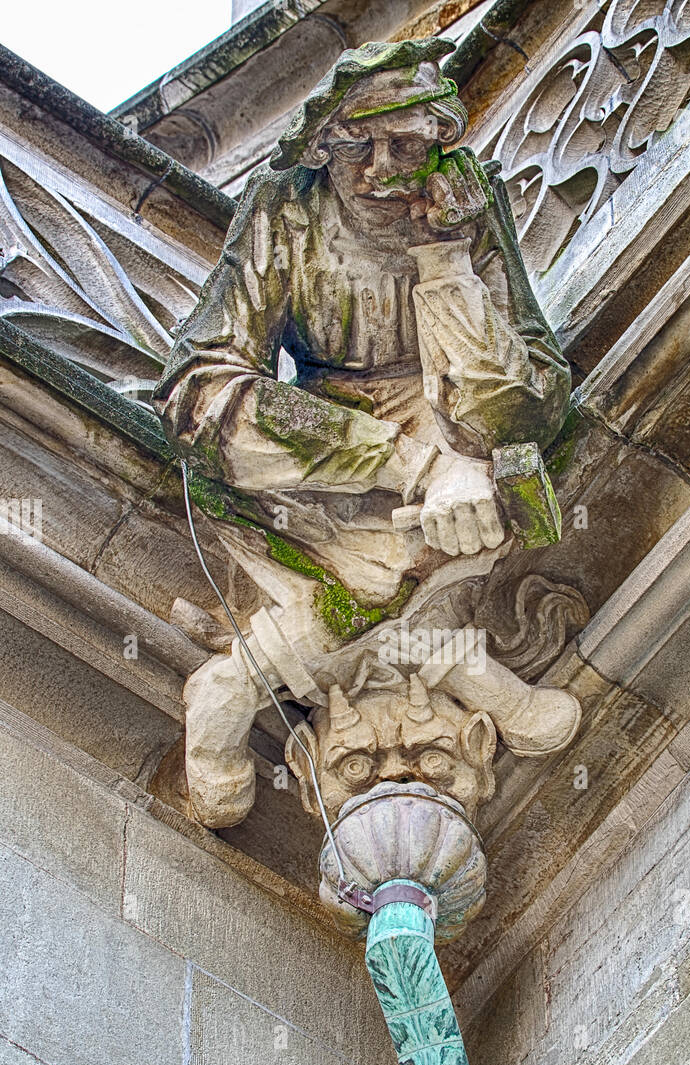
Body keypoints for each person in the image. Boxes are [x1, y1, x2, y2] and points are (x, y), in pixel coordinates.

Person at [153, 37, 574, 828]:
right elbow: (198, 388)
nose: (384, 169)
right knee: (396, 536)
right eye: (358, 146)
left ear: (439, 148)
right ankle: (477, 684)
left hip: (446, 416)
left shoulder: (467, 202)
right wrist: (412, 468)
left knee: (487, 478)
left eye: (409, 146)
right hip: (326, 438)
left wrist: (445, 258)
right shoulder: (287, 206)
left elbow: (525, 403)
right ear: (323, 147)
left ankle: (241, 681)